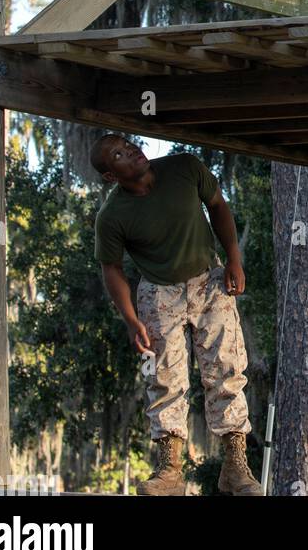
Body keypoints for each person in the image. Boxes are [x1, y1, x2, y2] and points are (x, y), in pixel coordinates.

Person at [92, 135, 261, 496]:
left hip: (208, 279)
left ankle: (235, 468)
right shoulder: (112, 216)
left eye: (127, 144)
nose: (132, 151)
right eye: (119, 154)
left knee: (227, 369)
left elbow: (217, 205)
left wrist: (233, 257)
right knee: (164, 377)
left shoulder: (184, 167)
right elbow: (111, 268)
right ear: (111, 176)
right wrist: (130, 318)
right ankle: (169, 471)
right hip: (158, 291)